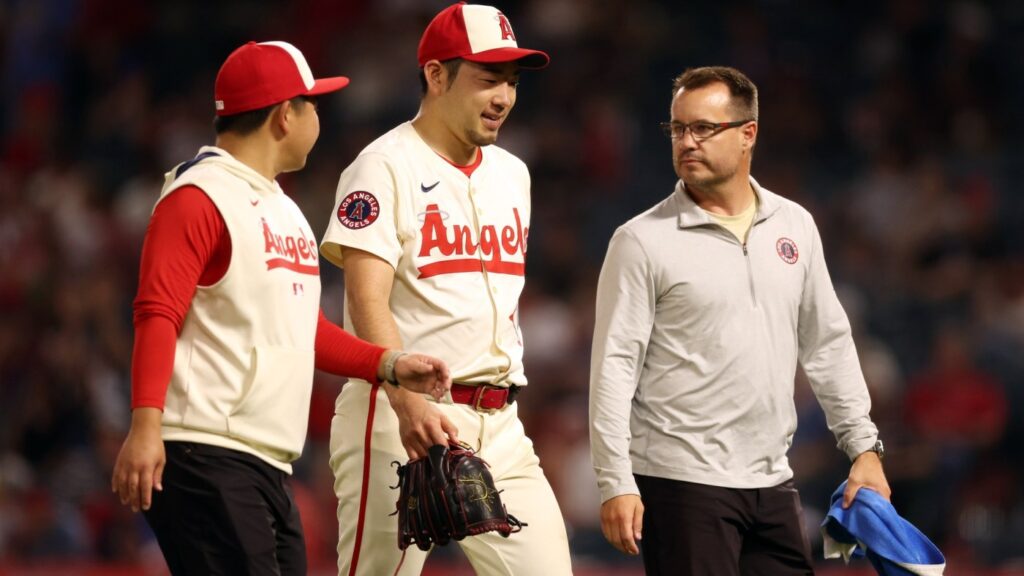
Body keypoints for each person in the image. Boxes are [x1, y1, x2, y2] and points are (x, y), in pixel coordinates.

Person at [110, 40, 452, 576]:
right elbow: (157, 313)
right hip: (202, 449)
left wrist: (388, 365)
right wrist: (146, 426)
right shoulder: (198, 196)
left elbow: (302, 329)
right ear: (285, 115)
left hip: (264, 460)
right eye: (312, 103)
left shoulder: (283, 208)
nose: (320, 114)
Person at [589, 66, 891, 575]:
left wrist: (864, 447)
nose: (687, 141)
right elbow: (613, 368)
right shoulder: (640, 240)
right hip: (680, 483)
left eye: (703, 128)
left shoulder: (795, 224)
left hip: (771, 480)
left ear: (748, 133)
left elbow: (827, 344)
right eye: (678, 128)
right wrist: (614, 479)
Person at [318, 3, 573, 575]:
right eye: (487, 79)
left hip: (501, 420)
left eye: (511, 81)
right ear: (436, 75)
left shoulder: (514, 173)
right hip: (397, 416)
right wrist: (407, 405)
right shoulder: (382, 167)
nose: (503, 96)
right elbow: (365, 303)